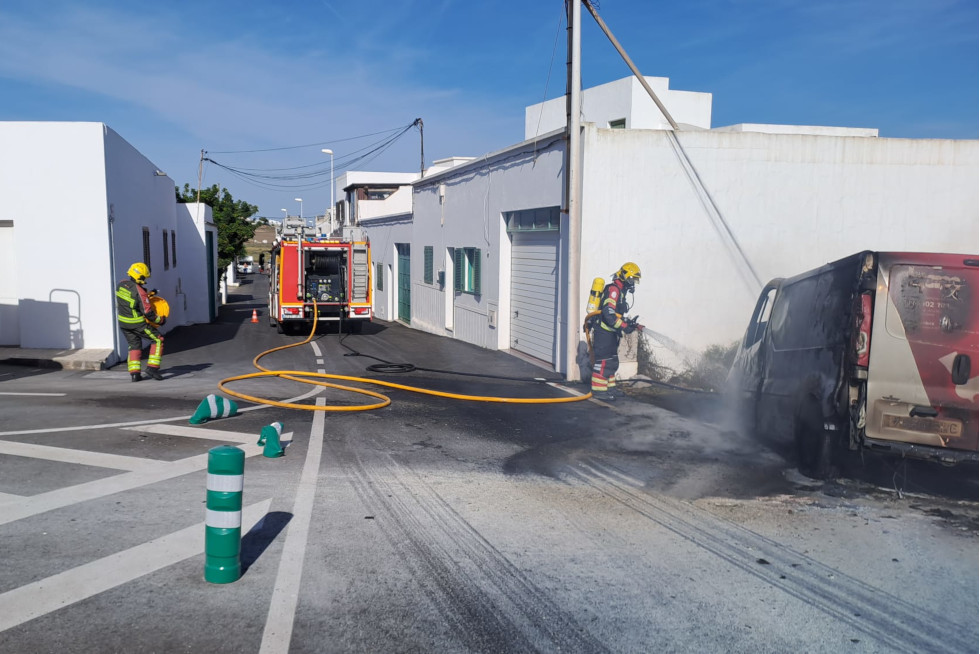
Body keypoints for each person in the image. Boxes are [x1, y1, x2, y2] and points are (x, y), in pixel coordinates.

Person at [590, 262, 642, 401]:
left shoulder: (621, 290)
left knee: (612, 361)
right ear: (624, 276)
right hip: (604, 332)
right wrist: (624, 326)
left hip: (611, 332)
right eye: (632, 279)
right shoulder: (614, 290)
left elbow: (616, 313)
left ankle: (609, 388)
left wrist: (627, 323)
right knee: (603, 362)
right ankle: (598, 390)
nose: (633, 283)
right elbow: (608, 313)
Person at [116, 262, 165, 382]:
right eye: (144, 277)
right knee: (158, 339)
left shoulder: (121, 285)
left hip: (123, 323)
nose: (144, 280)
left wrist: (147, 295)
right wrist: (160, 320)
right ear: (139, 276)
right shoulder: (140, 291)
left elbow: (132, 300)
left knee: (134, 345)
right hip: (137, 323)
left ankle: (135, 374)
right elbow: (147, 312)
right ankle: (152, 368)